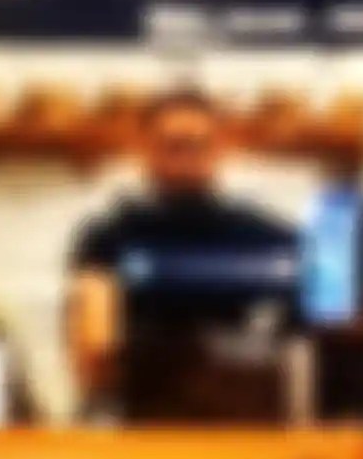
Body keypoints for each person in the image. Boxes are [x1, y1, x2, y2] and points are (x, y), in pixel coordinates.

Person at [67, 89, 308, 424]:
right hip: (145, 421)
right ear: (145, 149)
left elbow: (312, 330)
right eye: (172, 145)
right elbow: (94, 344)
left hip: (248, 426)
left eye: (197, 144)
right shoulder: (111, 236)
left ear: (220, 148)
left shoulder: (265, 236)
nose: (185, 157)